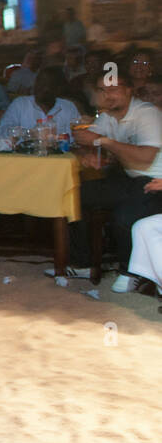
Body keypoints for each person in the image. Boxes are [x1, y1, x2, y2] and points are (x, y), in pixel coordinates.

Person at [65, 77, 162, 291]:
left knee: (125, 215)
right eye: (102, 90)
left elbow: (145, 159)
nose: (107, 95)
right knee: (72, 196)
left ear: (129, 91)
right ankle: (84, 263)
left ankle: (132, 272)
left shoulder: (147, 113)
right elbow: (83, 141)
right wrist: (86, 154)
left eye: (114, 89)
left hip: (157, 181)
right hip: (130, 178)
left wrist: (104, 142)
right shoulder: (107, 116)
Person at [0, 67, 79, 135]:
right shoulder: (20, 104)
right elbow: (1, 131)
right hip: (24, 155)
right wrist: (28, 133)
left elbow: (76, 136)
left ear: (58, 89)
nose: (41, 87)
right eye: (39, 81)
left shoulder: (68, 107)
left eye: (48, 84)